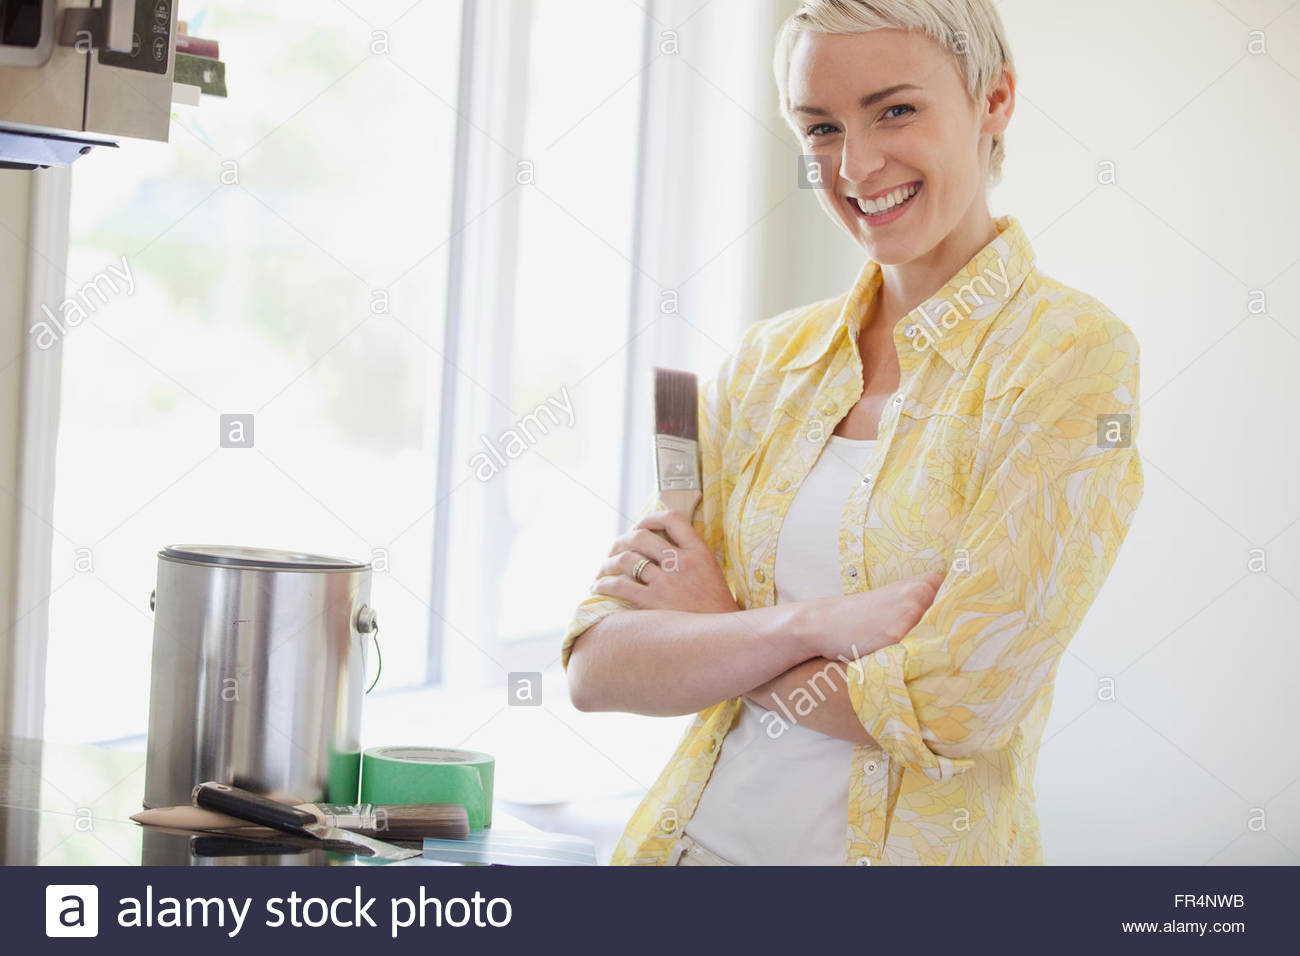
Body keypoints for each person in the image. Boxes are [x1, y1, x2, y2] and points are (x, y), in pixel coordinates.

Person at [560, 0, 1144, 866]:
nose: (856, 164)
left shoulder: (1072, 357)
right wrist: (814, 627)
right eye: (821, 127)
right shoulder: (771, 361)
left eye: (895, 109)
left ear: (994, 100)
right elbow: (598, 663)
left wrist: (717, 628)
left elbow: (956, 709)